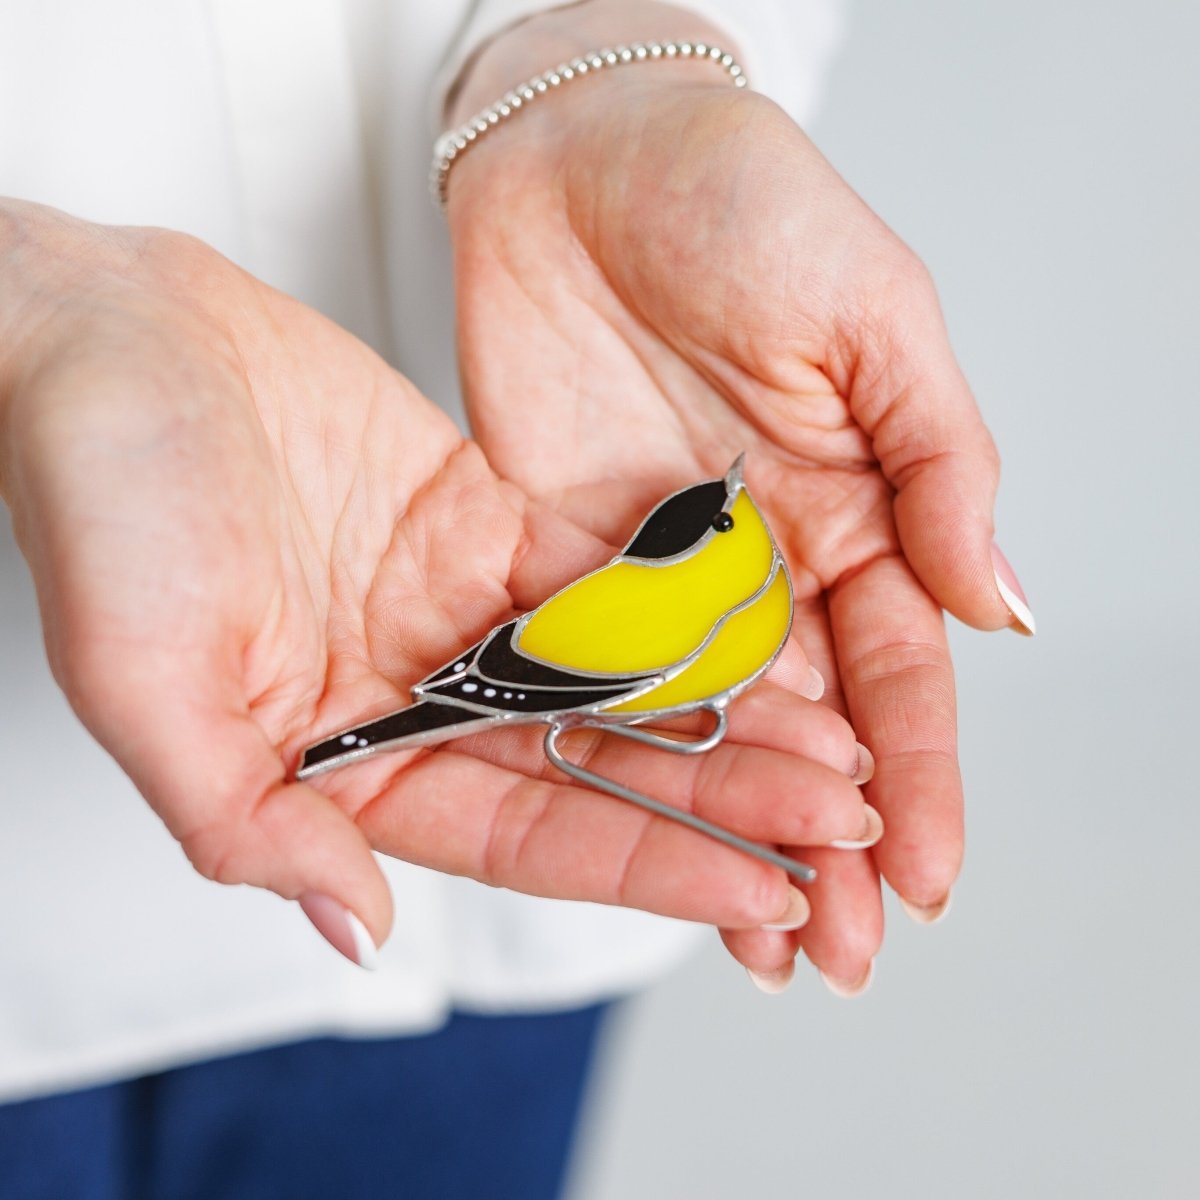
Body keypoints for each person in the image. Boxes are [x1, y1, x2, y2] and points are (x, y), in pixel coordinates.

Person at [0, 0, 1034, 1195]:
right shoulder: (703, 606)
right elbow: (569, 669)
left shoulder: (720, 590)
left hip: (504, 936)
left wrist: (607, 45)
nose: (736, 512)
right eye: (719, 516)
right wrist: (28, 302)